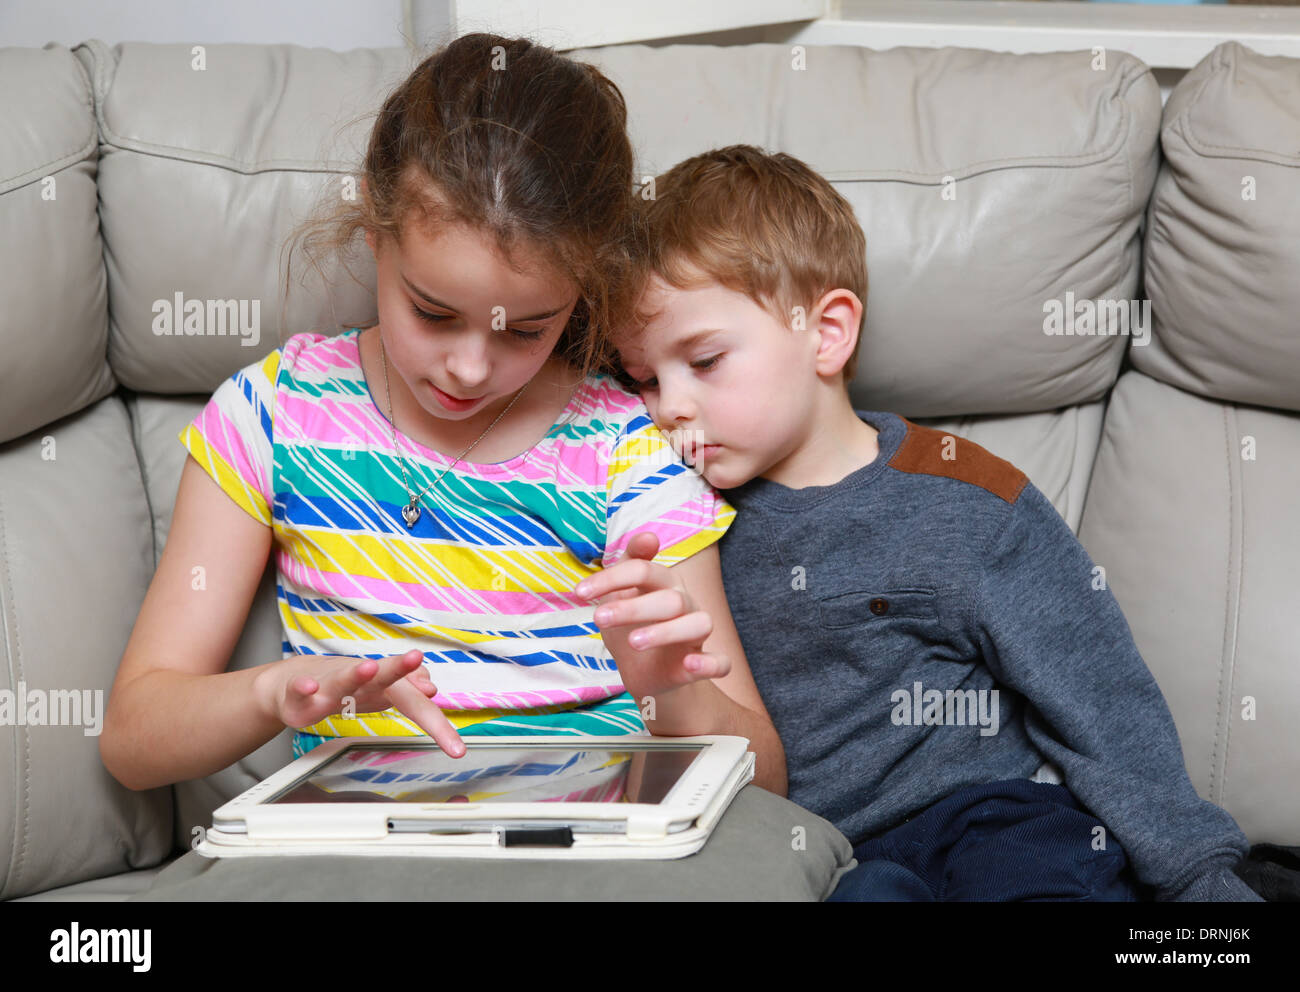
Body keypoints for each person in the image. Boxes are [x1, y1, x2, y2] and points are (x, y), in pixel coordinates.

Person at [100, 35, 784, 796]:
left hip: (583, 852)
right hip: (367, 853)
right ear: (376, 233)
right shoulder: (274, 414)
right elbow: (134, 738)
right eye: (432, 312)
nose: (468, 368)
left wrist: (672, 689)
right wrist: (275, 691)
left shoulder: (626, 447)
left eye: (525, 330)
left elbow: (769, 782)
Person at [610, 143, 1262, 901]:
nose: (668, 408)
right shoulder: (686, 522)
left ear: (825, 333)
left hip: (987, 819)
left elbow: (1100, 700)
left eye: (705, 360)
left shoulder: (964, 499)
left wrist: (1198, 880)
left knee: (1034, 873)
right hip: (835, 856)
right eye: (645, 380)